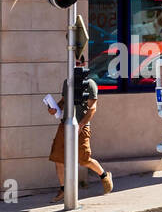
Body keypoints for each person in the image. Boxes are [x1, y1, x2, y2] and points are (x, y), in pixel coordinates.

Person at [48, 64, 113, 203]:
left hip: (82, 126)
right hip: (65, 124)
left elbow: (92, 108)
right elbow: (64, 101)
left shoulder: (90, 84)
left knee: (84, 159)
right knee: (58, 158)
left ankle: (104, 175)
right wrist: (55, 108)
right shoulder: (67, 82)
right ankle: (64, 189)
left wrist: (81, 125)